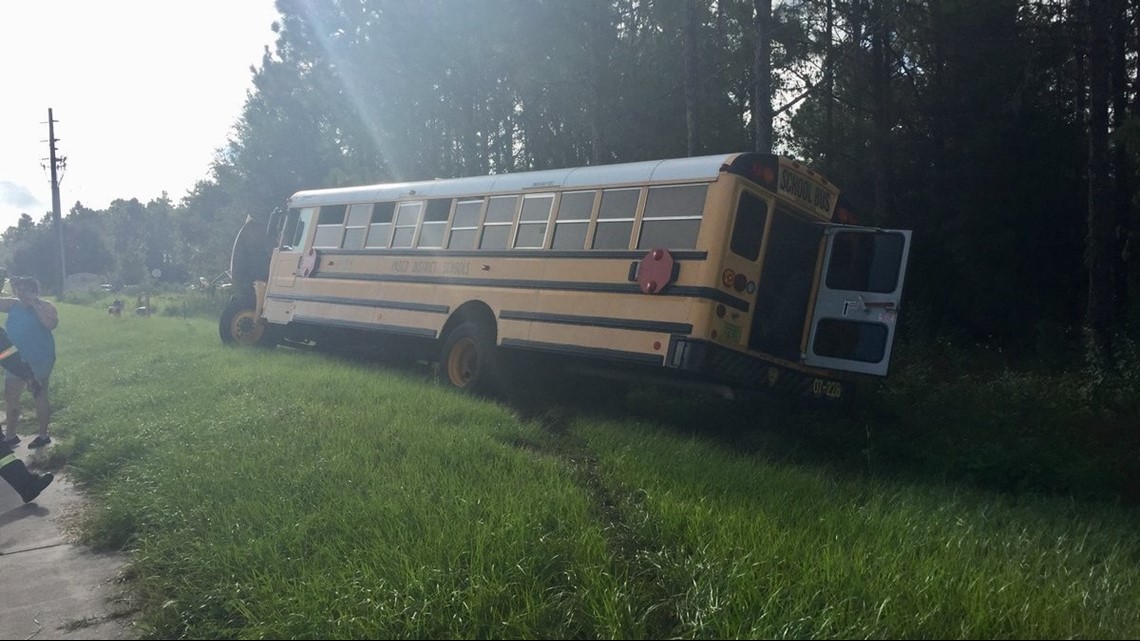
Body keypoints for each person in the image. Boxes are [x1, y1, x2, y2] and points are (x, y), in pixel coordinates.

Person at [0, 277, 57, 449]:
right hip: (15, 358)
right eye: (19, 290)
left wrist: (35, 305)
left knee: (38, 394)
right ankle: (10, 436)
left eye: (26, 290)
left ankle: (43, 435)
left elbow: (50, 324)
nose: (22, 293)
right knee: (11, 396)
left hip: (40, 358)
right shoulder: (12, 305)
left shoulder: (45, 306)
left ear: (35, 291)